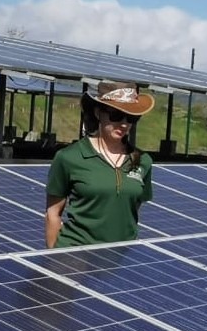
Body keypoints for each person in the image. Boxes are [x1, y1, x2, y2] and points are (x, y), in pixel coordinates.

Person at [45, 81, 155, 248]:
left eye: (132, 117)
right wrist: (54, 259)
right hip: (76, 255)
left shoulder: (143, 161)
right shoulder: (69, 157)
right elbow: (53, 214)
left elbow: (133, 208)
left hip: (121, 257)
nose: (124, 124)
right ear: (98, 113)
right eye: (116, 115)